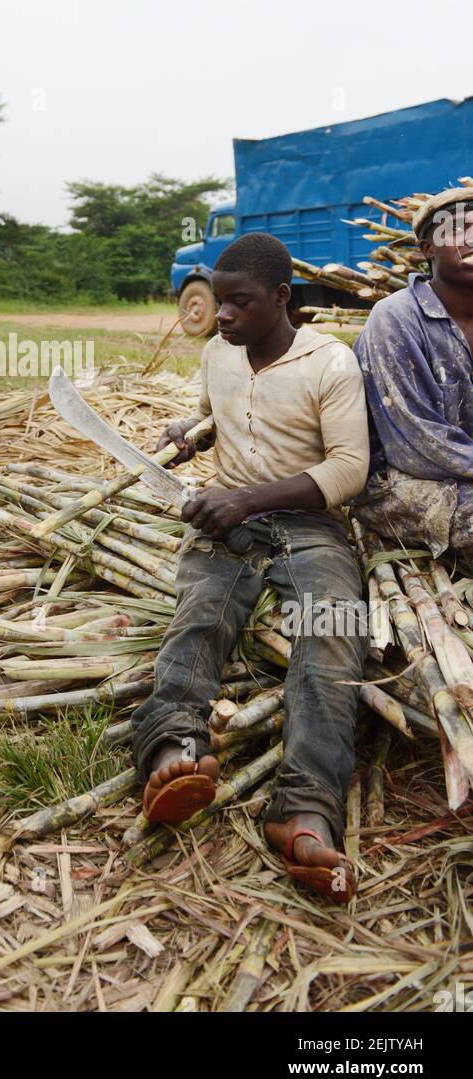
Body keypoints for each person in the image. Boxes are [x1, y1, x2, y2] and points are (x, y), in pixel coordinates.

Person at [131, 232, 370, 903]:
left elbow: (348, 470)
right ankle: (171, 749)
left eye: (240, 303)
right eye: (218, 302)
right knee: (199, 618)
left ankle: (305, 811)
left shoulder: (330, 364)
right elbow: (213, 416)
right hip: (226, 525)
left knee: (329, 640)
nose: (223, 315)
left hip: (309, 524)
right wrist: (186, 432)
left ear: (281, 298)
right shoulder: (217, 354)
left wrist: (244, 500)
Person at [353, 187, 473, 558]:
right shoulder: (395, 319)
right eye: (458, 230)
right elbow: (415, 446)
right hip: (404, 480)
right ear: (427, 249)